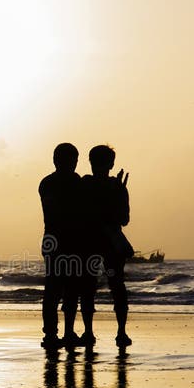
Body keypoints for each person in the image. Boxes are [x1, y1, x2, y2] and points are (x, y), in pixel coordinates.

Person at [80, 144, 132, 349]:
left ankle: (89, 332)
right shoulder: (117, 187)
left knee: (89, 287)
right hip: (105, 243)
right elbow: (124, 219)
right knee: (116, 286)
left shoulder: (86, 184)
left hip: (93, 243)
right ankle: (120, 332)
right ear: (111, 163)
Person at [38, 142, 82, 349]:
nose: (72, 164)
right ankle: (53, 334)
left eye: (74, 160)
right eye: (70, 160)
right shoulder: (52, 183)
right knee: (58, 288)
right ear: (57, 160)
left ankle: (63, 332)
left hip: (62, 239)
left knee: (64, 288)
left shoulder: (52, 182)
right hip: (58, 240)